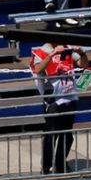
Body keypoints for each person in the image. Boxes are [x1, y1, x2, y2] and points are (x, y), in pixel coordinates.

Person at [31, 41, 79, 172]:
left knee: (67, 135)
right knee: (51, 135)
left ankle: (60, 164)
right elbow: (38, 69)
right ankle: (46, 167)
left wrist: (82, 53)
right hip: (52, 99)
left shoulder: (66, 49)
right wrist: (53, 54)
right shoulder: (41, 51)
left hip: (69, 98)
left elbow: (83, 64)